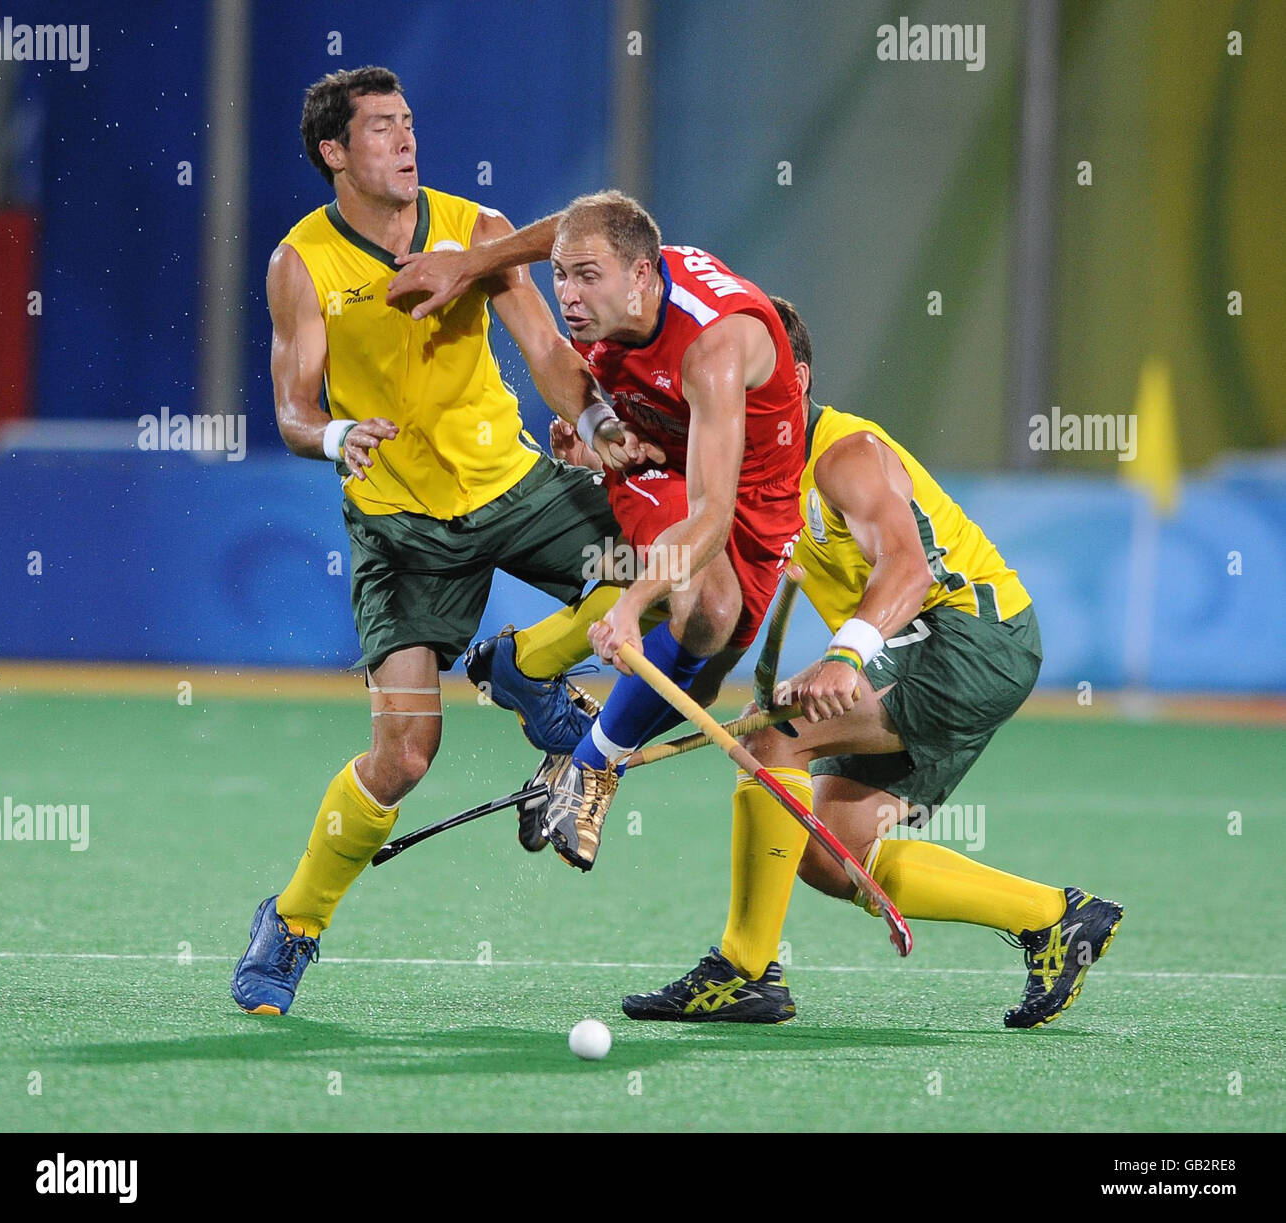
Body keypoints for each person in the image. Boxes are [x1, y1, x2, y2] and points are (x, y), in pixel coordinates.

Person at [231, 67, 655, 1016]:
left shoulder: (477, 228)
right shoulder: (300, 263)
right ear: (334, 153)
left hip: (508, 486)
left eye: (409, 123)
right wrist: (340, 436)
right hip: (400, 531)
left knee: (651, 568)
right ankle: (293, 920)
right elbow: (295, 412)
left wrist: (594, 426)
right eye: (380, 129)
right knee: (404, 753)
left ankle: (523, 671)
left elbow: (547, 351)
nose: (406, 141)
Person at [618, 298, 1124, 1030]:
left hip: (974, 634)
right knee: (830, 854)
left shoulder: (844, 456)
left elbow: (908, 569)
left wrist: (844, 655)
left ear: (796, 378)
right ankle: (1056, 916)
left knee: (774, 740)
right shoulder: (744, 479)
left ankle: (743, 971)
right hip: (928, 650)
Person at [396, 192, 806, 873]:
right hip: (649, 456)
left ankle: (543, 698)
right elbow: (567, 233)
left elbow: (713, 515)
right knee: (708, 608)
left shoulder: (712, 349)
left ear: (642, 276)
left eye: (586, 277)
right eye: (562, 275)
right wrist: (472, 264)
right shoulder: (606, 269)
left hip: (743, 493)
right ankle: (591, 767)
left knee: (698, 682)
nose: (568, 294)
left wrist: (629, 604)